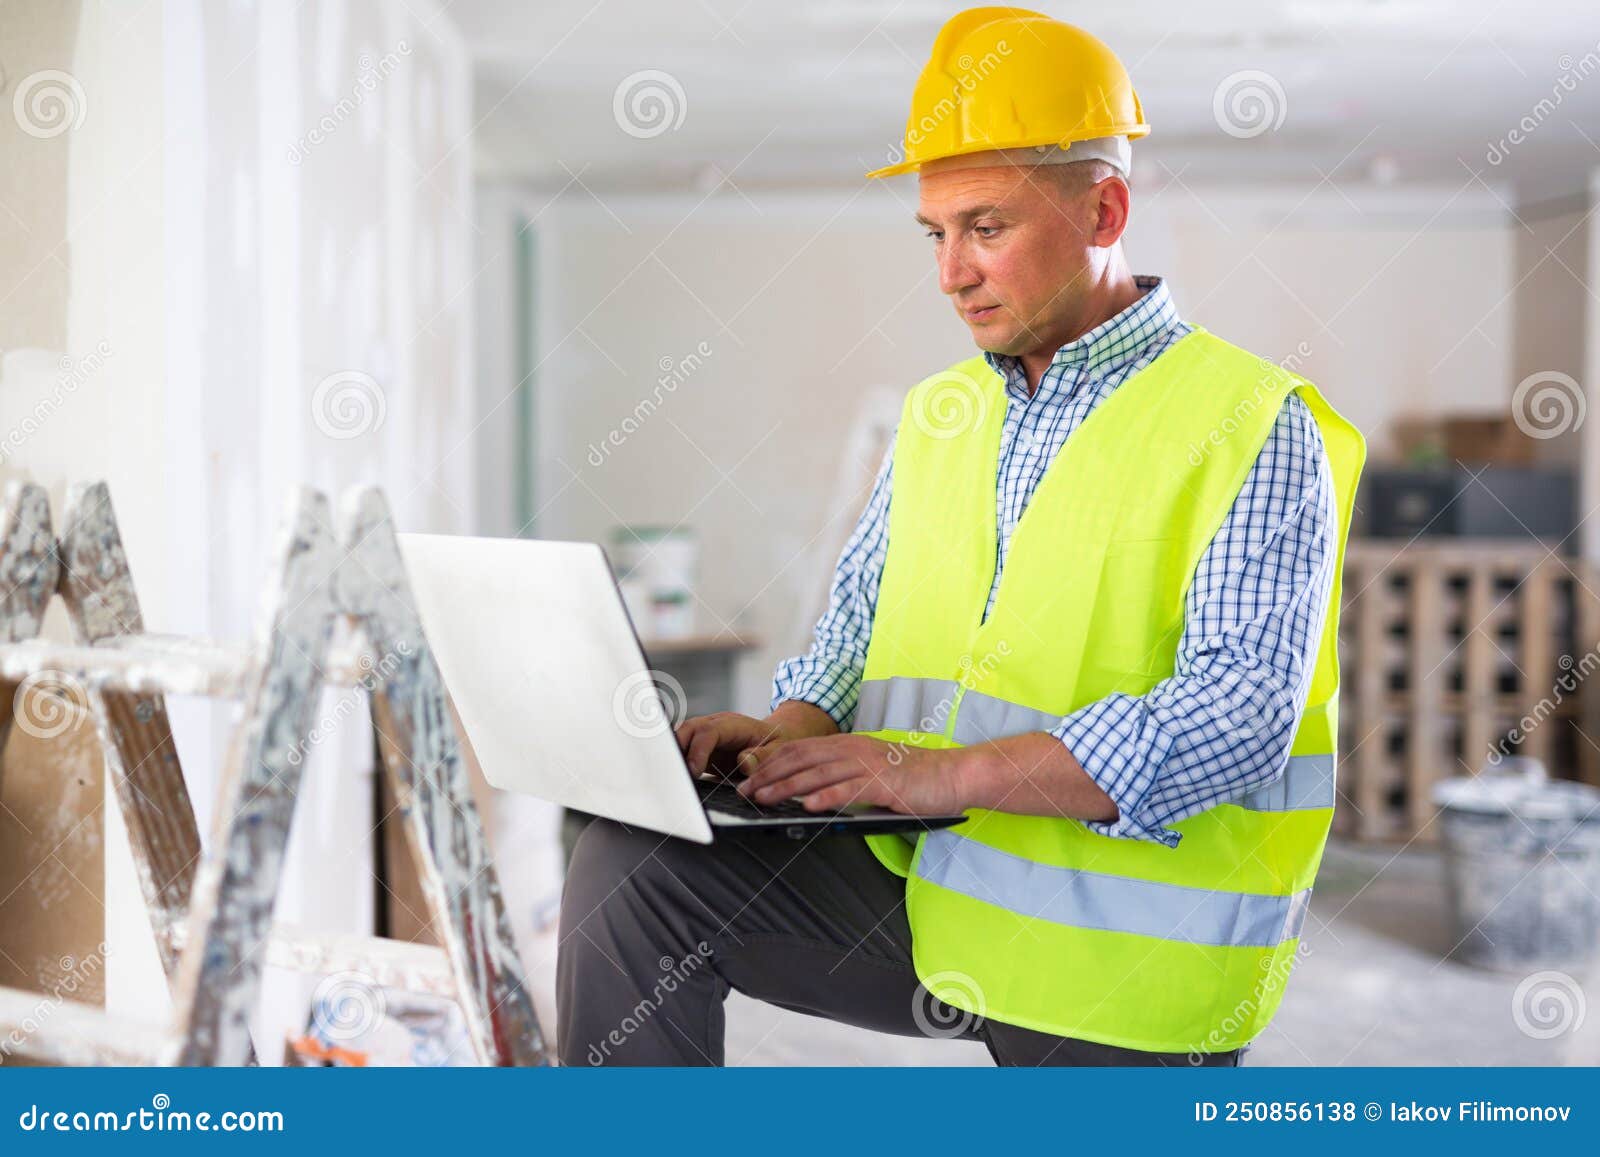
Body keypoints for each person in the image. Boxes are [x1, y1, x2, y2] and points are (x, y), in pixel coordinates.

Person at [558, 7, 1365, 1067]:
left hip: (1123, 956)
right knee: (634, 868)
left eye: (985, 227)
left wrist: (944, 774)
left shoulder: (1253, 422)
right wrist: (789, 729)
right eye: (935, 234)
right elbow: (859, 621)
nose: (950, 273)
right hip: (923, 887)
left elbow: (1239, 711)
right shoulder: (944, 411)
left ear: (1104, 207)